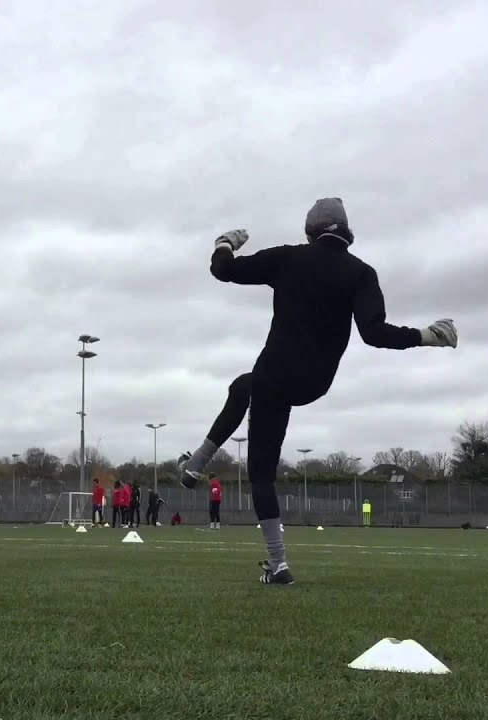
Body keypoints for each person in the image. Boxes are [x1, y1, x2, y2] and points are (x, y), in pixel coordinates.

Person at [176, 198, 458, 585]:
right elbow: (375, 334)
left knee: (261, 474)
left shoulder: (289, 258)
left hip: (275, 374)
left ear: (310, 231)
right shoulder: (361, 273)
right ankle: (194, 466)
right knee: (242, 386)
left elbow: (224, 272)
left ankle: (278, 565)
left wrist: (225, 242)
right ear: (346, 232)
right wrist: (427, 336)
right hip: (315, 382)